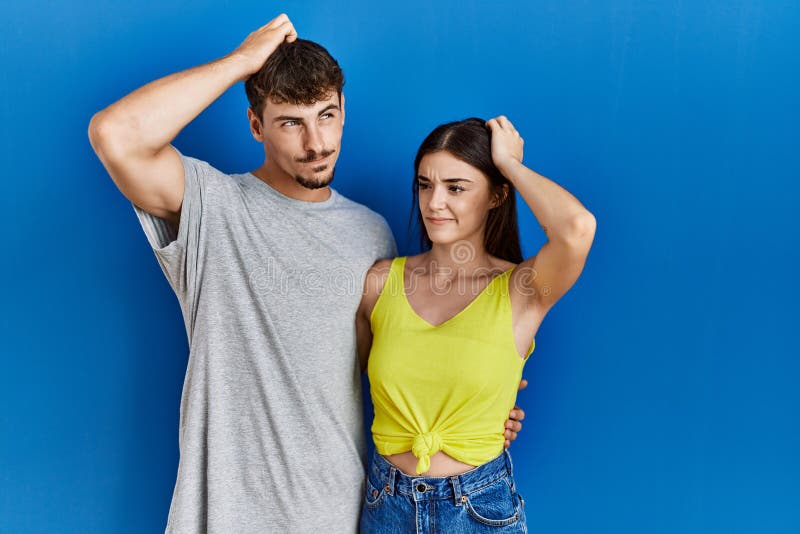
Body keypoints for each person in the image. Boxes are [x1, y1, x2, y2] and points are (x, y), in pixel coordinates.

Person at [88, 15, 524, 533]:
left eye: (327, 115)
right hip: (225, 515)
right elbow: (115, 135)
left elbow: (387, 364)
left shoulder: (372, 234)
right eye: (291, 122)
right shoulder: (212, 205)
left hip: (339, 512)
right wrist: (241, 62)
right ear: (256, 125)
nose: (316, 141)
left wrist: (478, 402)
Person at [356, 117, 596, 532]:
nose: (433, 203)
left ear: (496, 195)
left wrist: (511, 165)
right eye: (425, 185)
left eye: (456, 187)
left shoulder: (521, 290)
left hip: (477, 510)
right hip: (385, 504)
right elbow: (350, 384)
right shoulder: (380, 283)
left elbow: (577, 229)